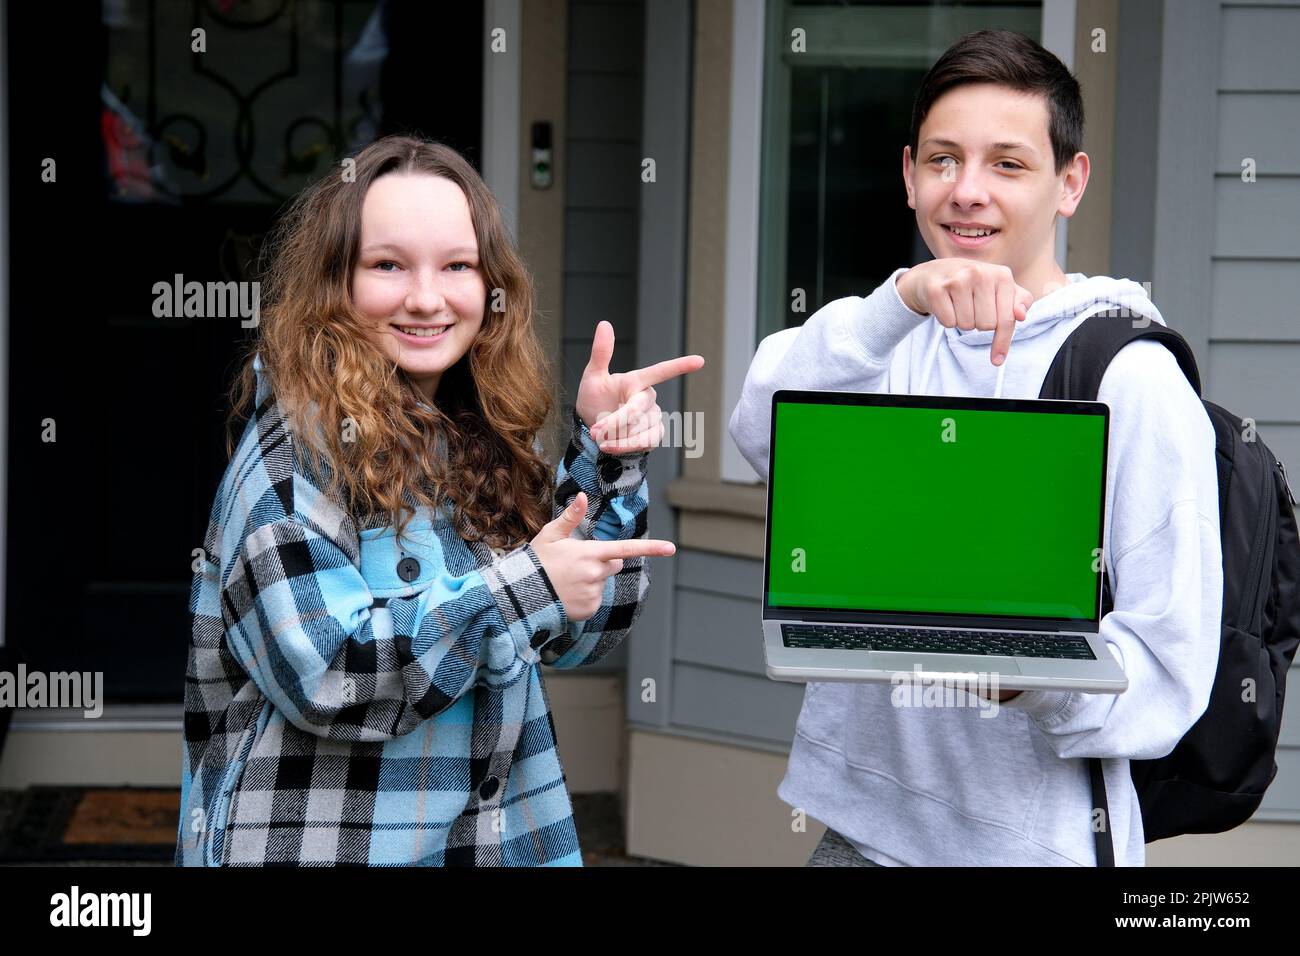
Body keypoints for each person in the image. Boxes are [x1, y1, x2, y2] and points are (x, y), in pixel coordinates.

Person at [728, 30, 1221, 867]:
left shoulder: (1130, 377)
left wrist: (1020, 676)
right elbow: (759, 435)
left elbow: (1171, 676)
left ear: (1071, 183)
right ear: (910, 172)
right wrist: (896, 303)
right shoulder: (889, 334)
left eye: (1008, 164)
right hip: (860, 826)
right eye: (945, 160)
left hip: (1028, 848)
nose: (968, 192)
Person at [176, 135, 703, 866]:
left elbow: (578, 633)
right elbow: (331, 678)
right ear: (335, 282)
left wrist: (606, 455)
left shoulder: (479, 436)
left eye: (457, 266)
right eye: (388, 265)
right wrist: (524, 586)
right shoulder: (290, 459)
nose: (426, 298)